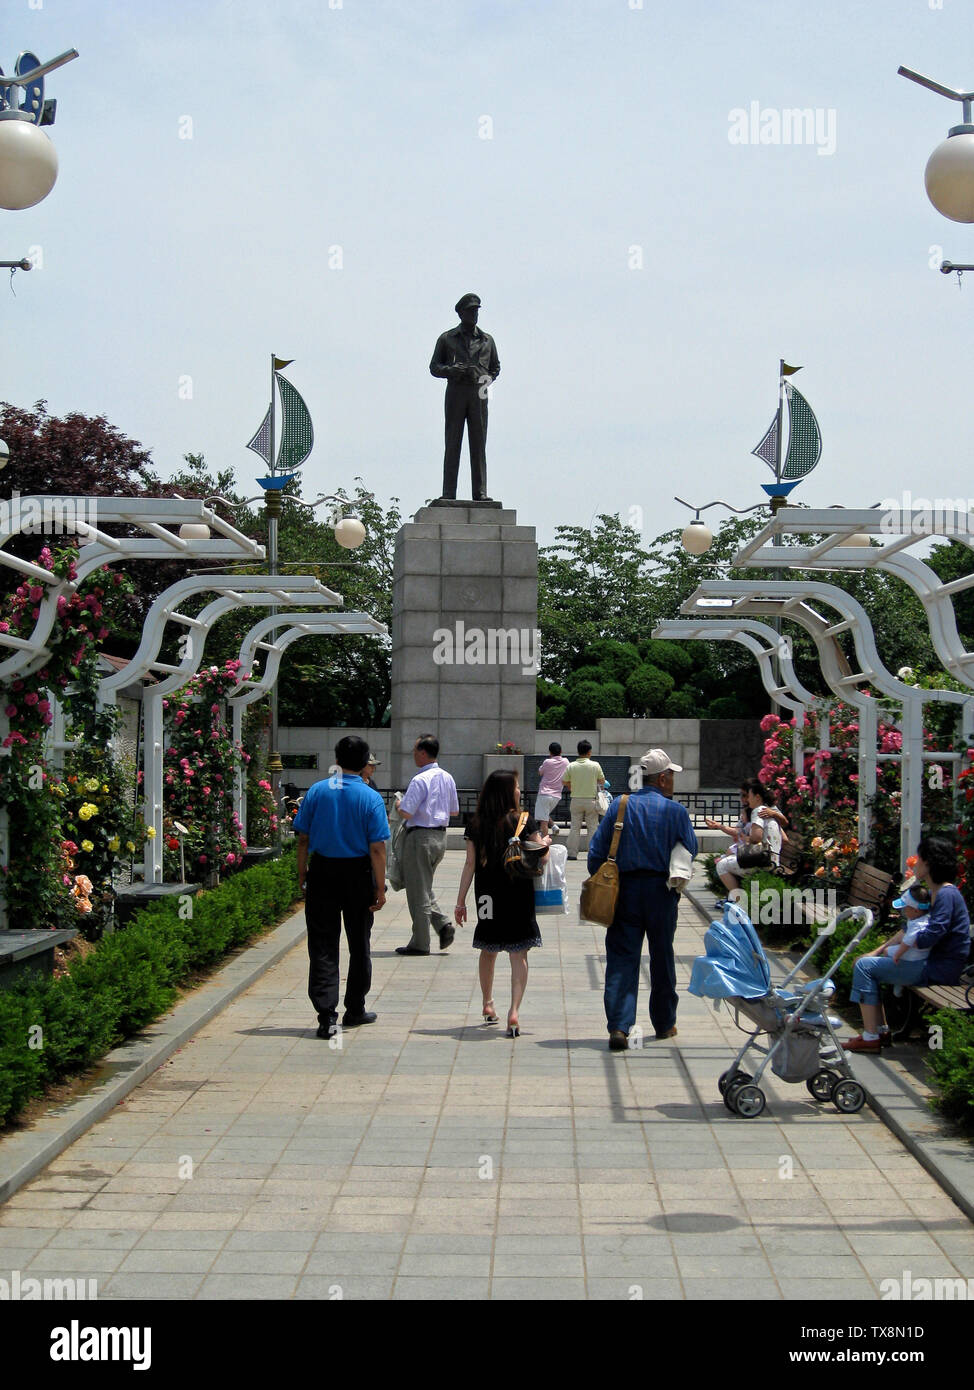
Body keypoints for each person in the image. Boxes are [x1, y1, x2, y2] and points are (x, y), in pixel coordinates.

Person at [588, 748, 698, 1050]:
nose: (673, 780)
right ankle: (664, 1023)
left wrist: (606, 881)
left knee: (622, 958)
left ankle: (620, 1027)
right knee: (662, 956)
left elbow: (596, 853)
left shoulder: (619, 806)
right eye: (671, 775)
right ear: (662, 779)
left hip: (624, 891)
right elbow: (691, 850)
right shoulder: (676, 812)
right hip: (661, 892)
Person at [293, 735, 389, 1039]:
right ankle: (355, 1007)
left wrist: (302, 873)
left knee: (322, 943)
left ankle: (326, 1015)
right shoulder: (370, 797)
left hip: (322, 871)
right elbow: (377, 848)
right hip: (358, 873)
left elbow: (303, 838)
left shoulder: (317, 792)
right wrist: (380, 886)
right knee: (359, 941)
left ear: (336, 759)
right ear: (364, 764)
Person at [844, 836, 971, 1053]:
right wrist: (878, 951)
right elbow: (907, 929)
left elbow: (933, 933)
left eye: (919, 859)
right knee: (869, 963)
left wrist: (908, 943)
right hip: (930, 963)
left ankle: (871, 1036)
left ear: (929, 863)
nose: (916, 864)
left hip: (938, 969)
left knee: (864, 968)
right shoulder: (936, 893)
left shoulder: (945, 895)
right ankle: (880, 1031)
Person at [454, 770, 548, 1036]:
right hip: (518, 894)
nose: (519, 790)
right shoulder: (523, 821)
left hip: (486, 897)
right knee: (518, 954)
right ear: (508, 791)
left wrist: (460, 901)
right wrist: (547, 842)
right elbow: (543, 857)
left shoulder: (475, 823)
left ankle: (487, 1003)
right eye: (517, 786)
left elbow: (470, 864)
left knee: (488, 949)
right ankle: (514, 1012)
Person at [429, 293, 501, 501]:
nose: (474, 314)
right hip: (456, 391)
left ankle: (480, 492)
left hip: (479, 391)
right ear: (461, 313)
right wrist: (451, 370)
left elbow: (496, 366)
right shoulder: (447, 338)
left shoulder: (487, 340)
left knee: (479, 443)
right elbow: (434, 366)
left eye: (476, 310)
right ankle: (449, 492)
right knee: (453, 441)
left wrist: (486, 378)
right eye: (470, 311)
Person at [395, 733, 460, 955]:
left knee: (417, 892)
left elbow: (405, 811)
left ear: (423, 752)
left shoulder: (419, 779)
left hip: (420, 837)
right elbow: (454, 810)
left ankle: (420, 943)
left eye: (415, 751)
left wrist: (398, 804)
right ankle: (442, 925)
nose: (413, 755)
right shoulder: (448, 777)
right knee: (423, 886)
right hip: (440, 838)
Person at [715, 780, 782, 893]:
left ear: (757, 797)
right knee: (729, 858)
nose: (747, 799)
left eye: (749, 796)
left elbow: (756, 838)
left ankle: (740, 901)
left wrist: (746, 839)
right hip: (773, 859)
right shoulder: (769, 811)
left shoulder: (758, 811)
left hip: (764, 861)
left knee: (722, 865)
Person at [564, 739, 606, 860]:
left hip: (576, 799)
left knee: (574, 828)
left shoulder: (571, 766)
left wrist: (572, 786)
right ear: (589, 752)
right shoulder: (595, 765)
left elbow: (564, 781)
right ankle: (592, 853)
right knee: (592, 827)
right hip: (591, 801)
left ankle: (572, 853)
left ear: (578, 751)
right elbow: (602, 780)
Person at [534, 741, 569, 837]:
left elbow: (540, 772)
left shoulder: (547, 762)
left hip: (544, 793)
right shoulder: (566, 761)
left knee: (543, 821)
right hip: (557, 795)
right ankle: (554, 826)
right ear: (561, 751)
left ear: (550, 752)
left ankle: (544, 844)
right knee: (544, 814)